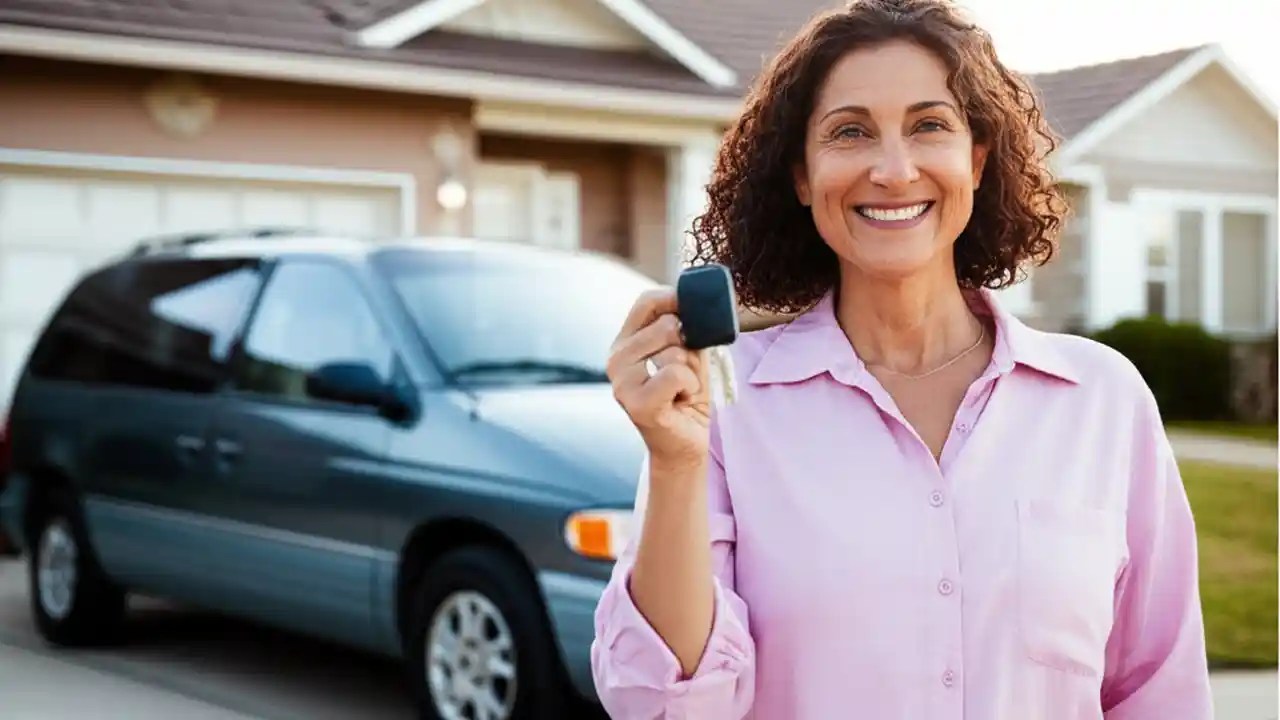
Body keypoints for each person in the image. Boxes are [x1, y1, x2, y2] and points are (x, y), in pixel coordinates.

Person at [592, 0, 1215, 718]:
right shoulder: (727, 409)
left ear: (976, 160)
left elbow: (1160, 692)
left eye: (929, 126)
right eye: (850, 132)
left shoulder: (1103, 401)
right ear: (801, 175)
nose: (893, 170)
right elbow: (669, 707)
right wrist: (675, 465)